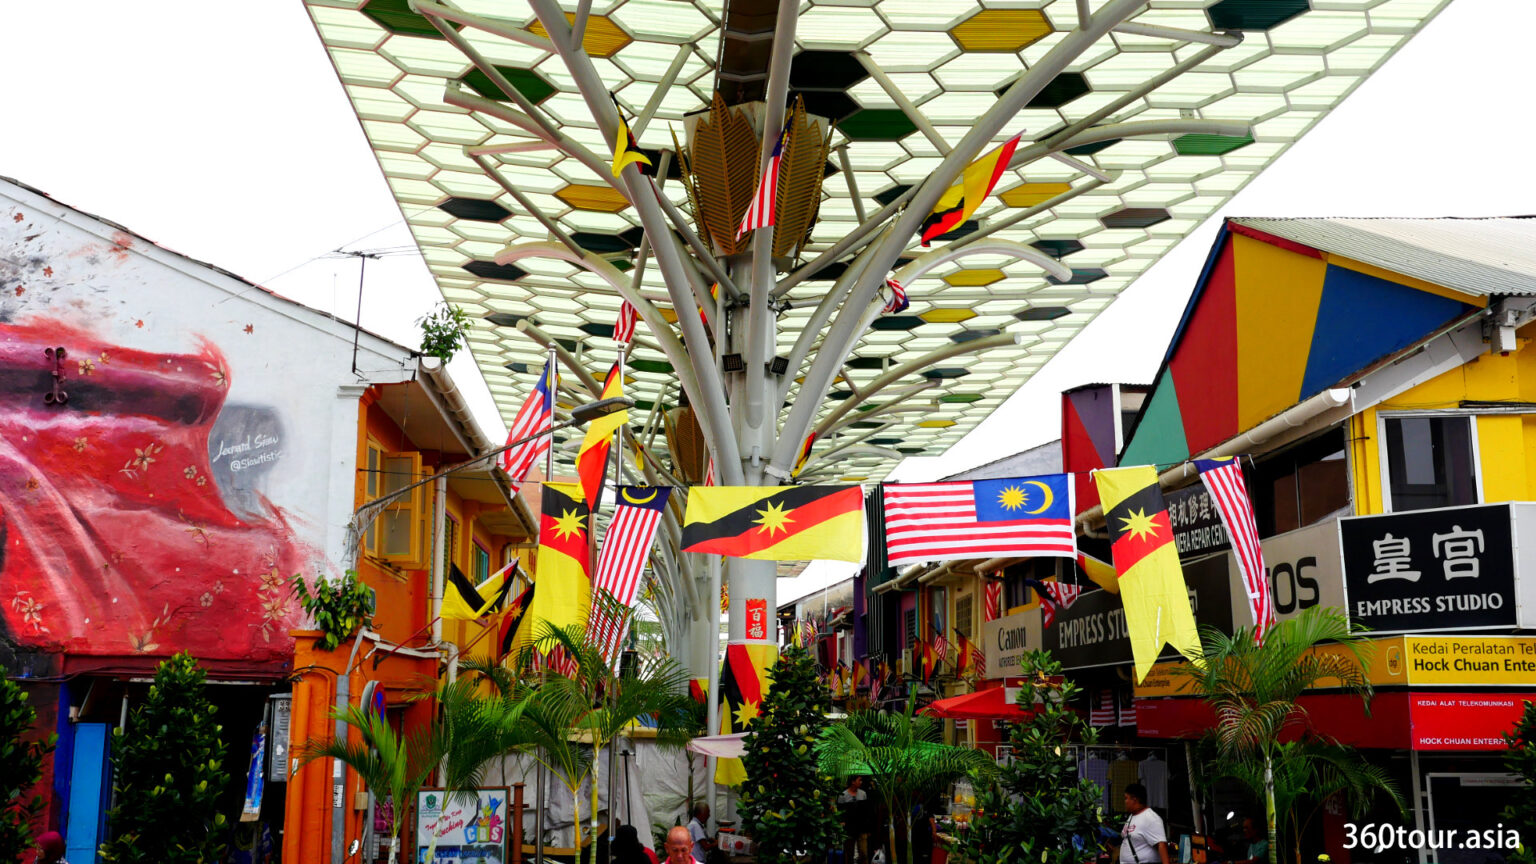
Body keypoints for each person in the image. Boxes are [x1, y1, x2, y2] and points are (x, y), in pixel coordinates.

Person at [1111, 784, 1170, 864]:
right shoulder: (1132, 816)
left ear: (1134, 800)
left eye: (1126, 798)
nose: (1125, 802)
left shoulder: (1151, 818)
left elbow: (1161, 845)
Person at [838, 777, 871, 864]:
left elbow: (866, 812)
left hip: (861, 827)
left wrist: (867, 828)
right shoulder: (843, 795)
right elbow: (840, 812)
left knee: (864, 852)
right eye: (859, 780)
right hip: (849, 828)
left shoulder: (863, 794)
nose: (861, 782)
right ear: (853, 782)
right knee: (849, 853)